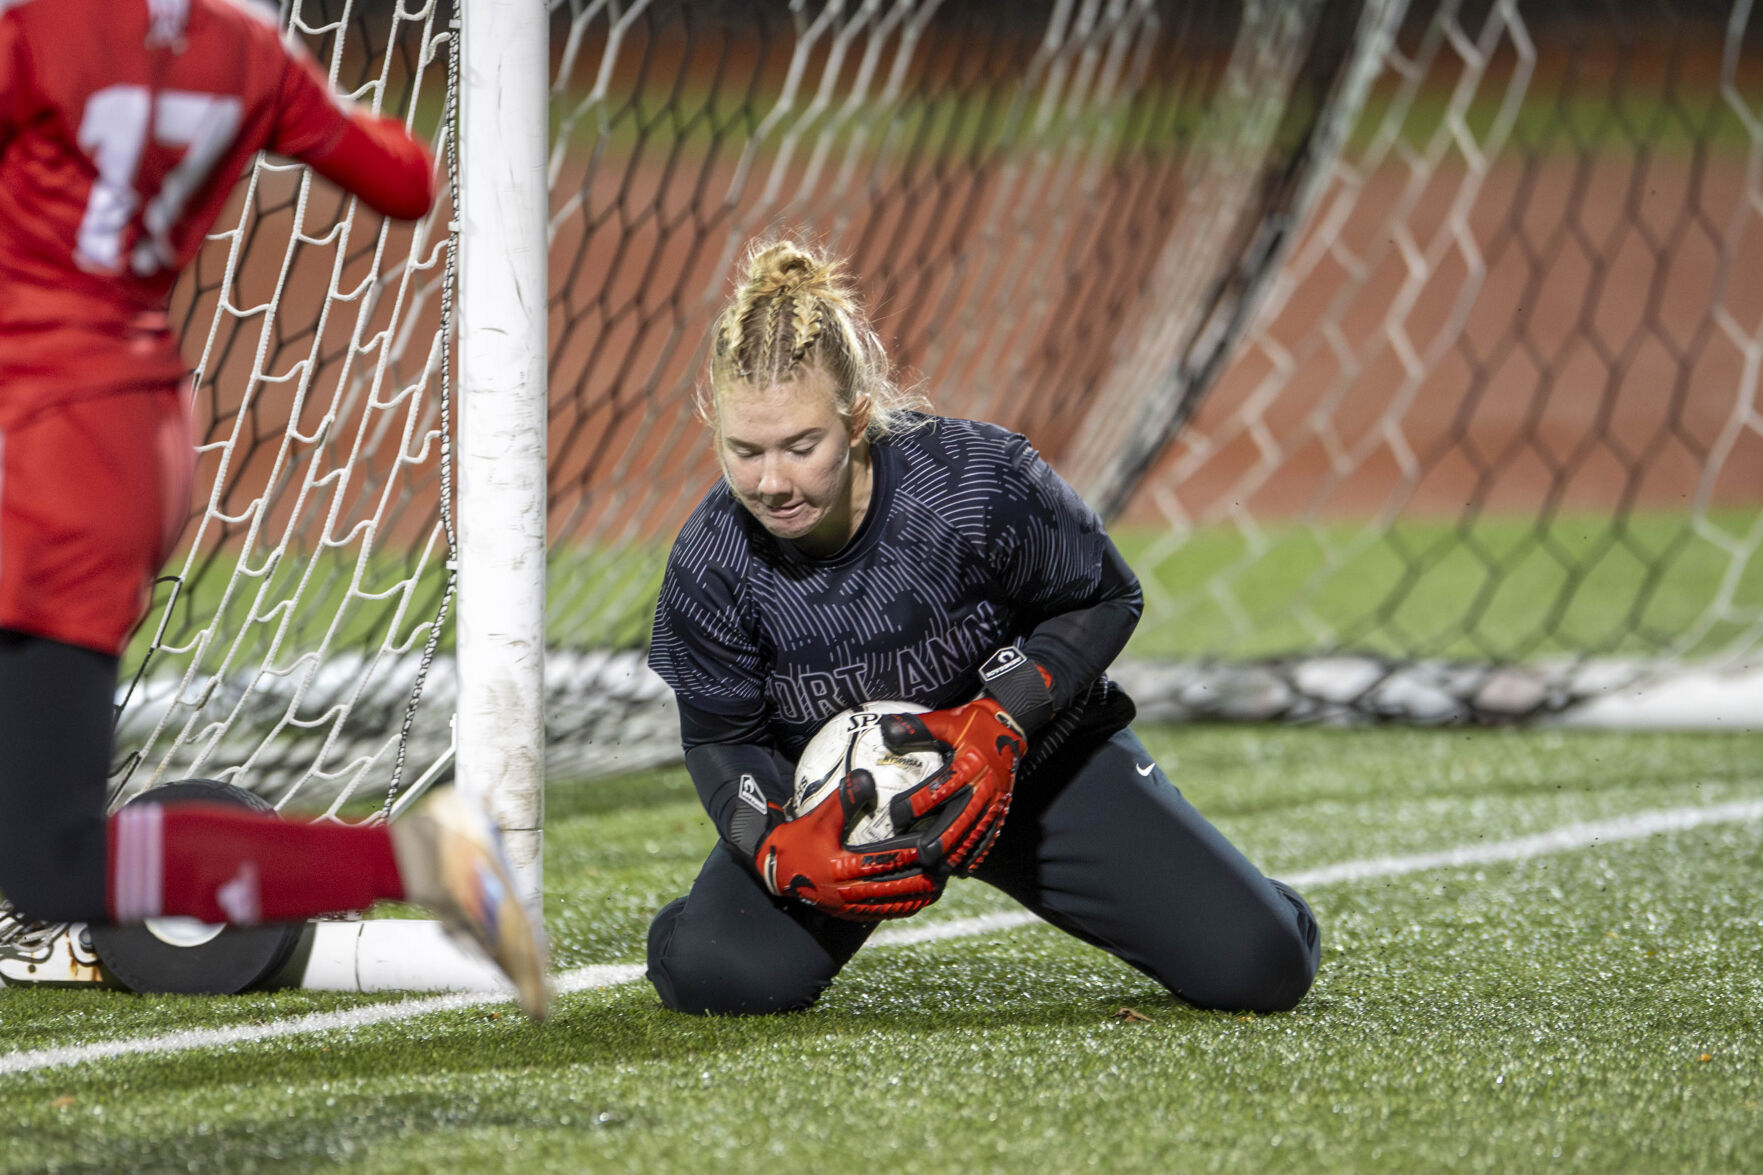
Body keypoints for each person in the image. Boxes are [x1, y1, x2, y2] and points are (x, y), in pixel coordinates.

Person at [0, 0, 547, 1017]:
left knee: (53, 855)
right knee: (45, 859)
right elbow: (405, 175)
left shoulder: (39, 33)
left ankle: (419, 858)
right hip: (131, 436)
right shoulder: (243, 53)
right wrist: (268, 84)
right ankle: (424, 859)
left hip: (42, 443)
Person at [644, 239, 1322, 1016]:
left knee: (1257, 969)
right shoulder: (712, 559)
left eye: (802, 447)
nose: (771, 481)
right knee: (717, 976)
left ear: (857, 419)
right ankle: (693, 927)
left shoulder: (974, 482)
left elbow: (1103, 596)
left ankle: (1233, 895)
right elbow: (719, 735)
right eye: (745, 450)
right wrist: (772, 848)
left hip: (1034, 769)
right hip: (854, 808)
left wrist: (1003, 717)